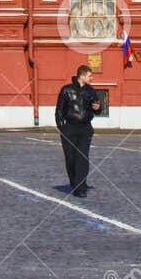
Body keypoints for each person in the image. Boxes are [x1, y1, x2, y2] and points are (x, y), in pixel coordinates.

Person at [55, 64, 99, 197]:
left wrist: (98, 108)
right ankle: (75, 183)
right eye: (90, 76)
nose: (92, 78)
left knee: (82, 157)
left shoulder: (90, 91)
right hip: (69, 128)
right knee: (71, 159)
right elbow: (59, 111)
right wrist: (62, 127)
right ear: (82, 75)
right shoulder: (66, 90)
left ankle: (81, 187)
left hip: (85, 129)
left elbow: (96, 108)